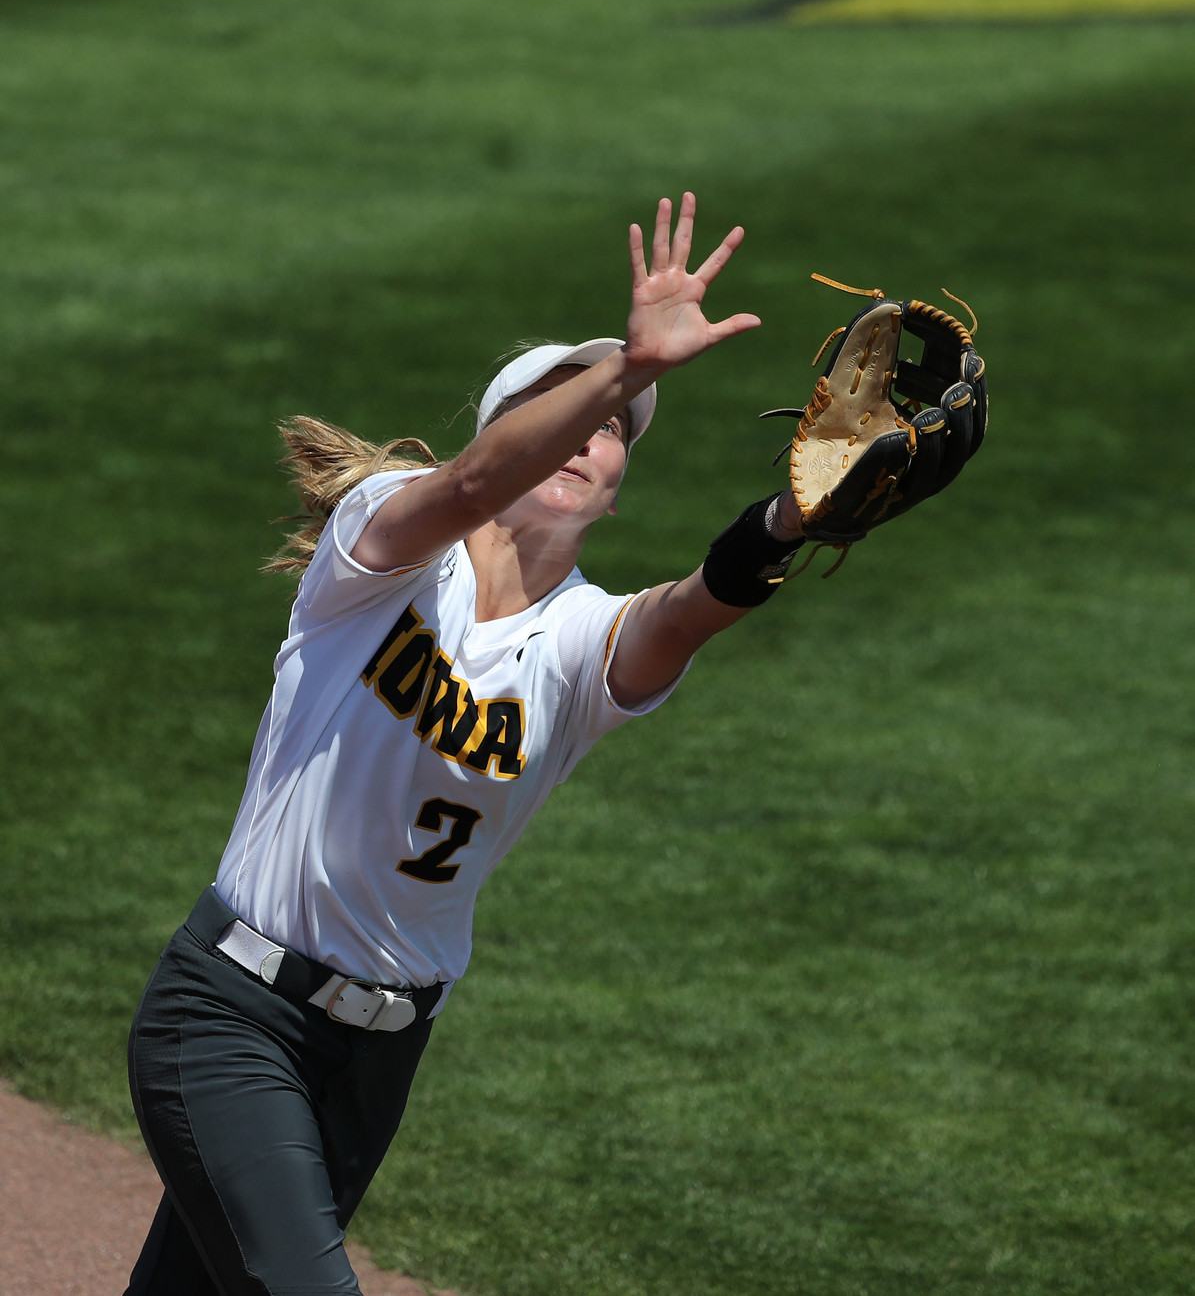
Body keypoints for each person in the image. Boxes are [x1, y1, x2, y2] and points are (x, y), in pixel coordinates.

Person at [124, 193, 811, 1296]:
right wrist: (631, 367)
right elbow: (470, 484)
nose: (589, 434)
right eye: (564, 410)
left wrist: (789, 521)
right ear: (499, 434)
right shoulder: (384, 544)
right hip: (232, 1016)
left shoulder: (577, 642)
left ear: (616, 495)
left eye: (611, 431)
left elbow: (687, 611)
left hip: (376, 1061)